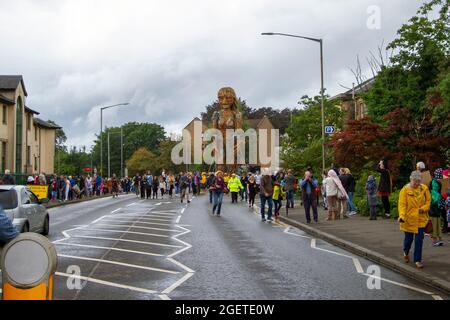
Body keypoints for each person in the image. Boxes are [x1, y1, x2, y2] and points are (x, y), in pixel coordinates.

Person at [398, 171, 431, 269]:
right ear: (411, 180)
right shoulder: (404, 190)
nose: (417, 183)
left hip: (421, 219)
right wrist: (402, 216)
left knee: (419, 241)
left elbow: (429, 201)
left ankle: (417, 260)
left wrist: (423, 208)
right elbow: (402, 205)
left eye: (418, 181)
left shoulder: (424, 189)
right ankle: (406, 252)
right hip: (408, 220)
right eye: (415, 181)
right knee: (408, 240)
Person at [430, 169, 444, 246]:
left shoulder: (433, 182)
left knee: (434, 224)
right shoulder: (440, 183)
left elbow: (433, 195)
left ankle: (436, 240)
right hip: (437, 206)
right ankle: (438, 239)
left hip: (434, 206)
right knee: (437, 223)